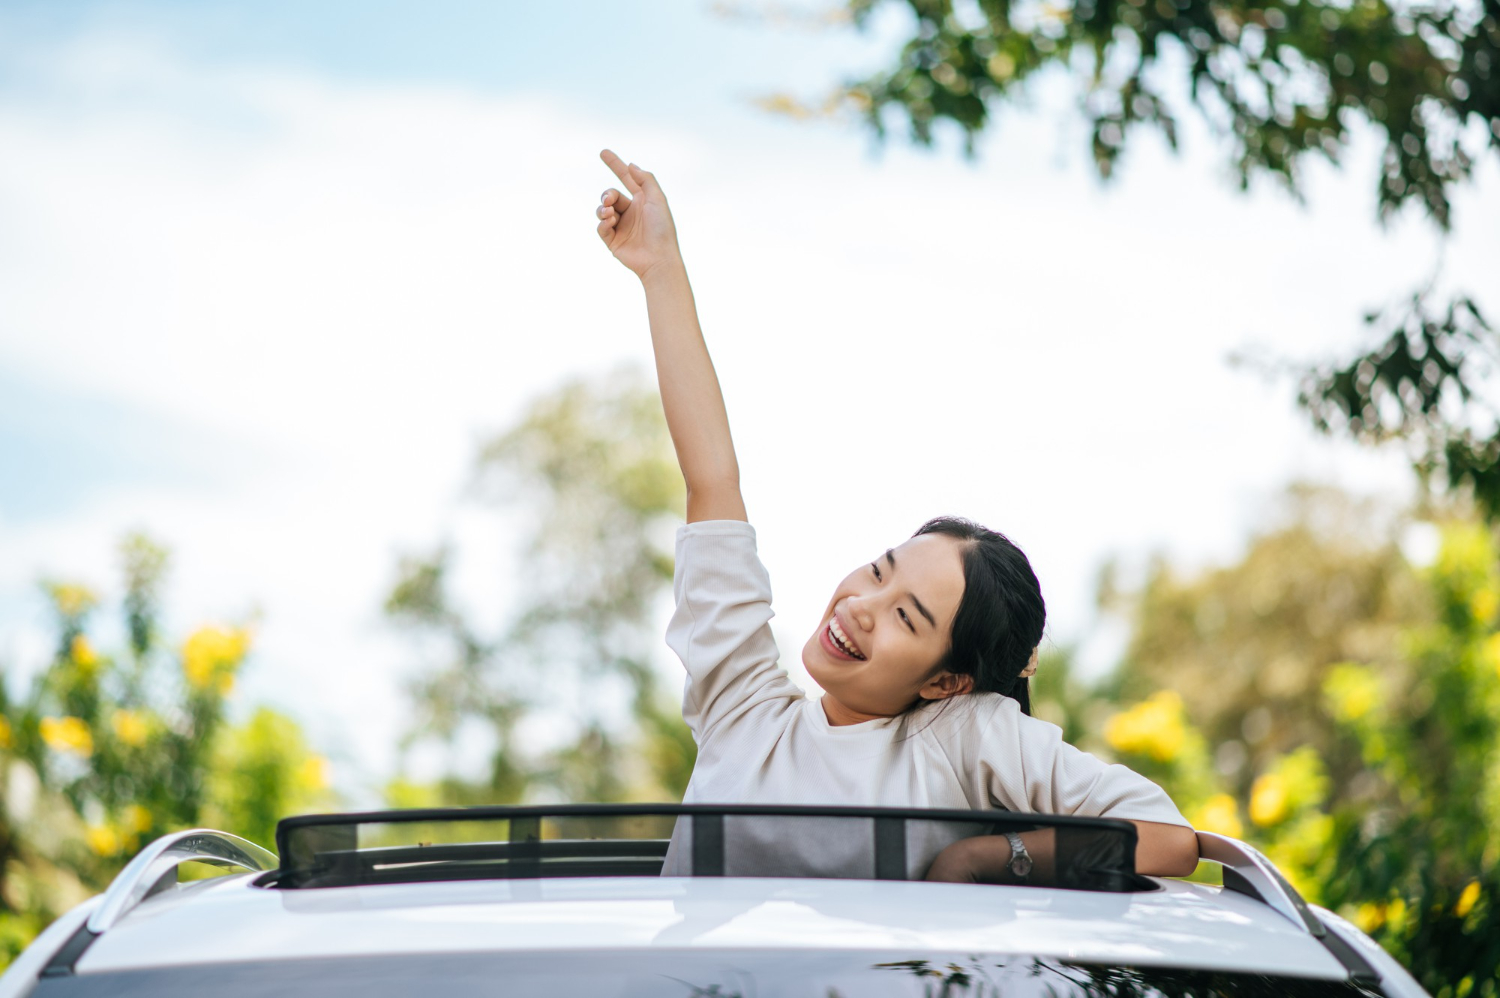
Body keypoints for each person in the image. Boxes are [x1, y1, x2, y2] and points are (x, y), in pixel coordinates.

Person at [593, 150, 1199, 884]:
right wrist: (660, 269)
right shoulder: (742, 706)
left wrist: (984, 855)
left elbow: (1167, 838)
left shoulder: (960, 737)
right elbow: (712, 480)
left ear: (947, 682)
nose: (861, 606)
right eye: (879, 573)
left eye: (907, 617)